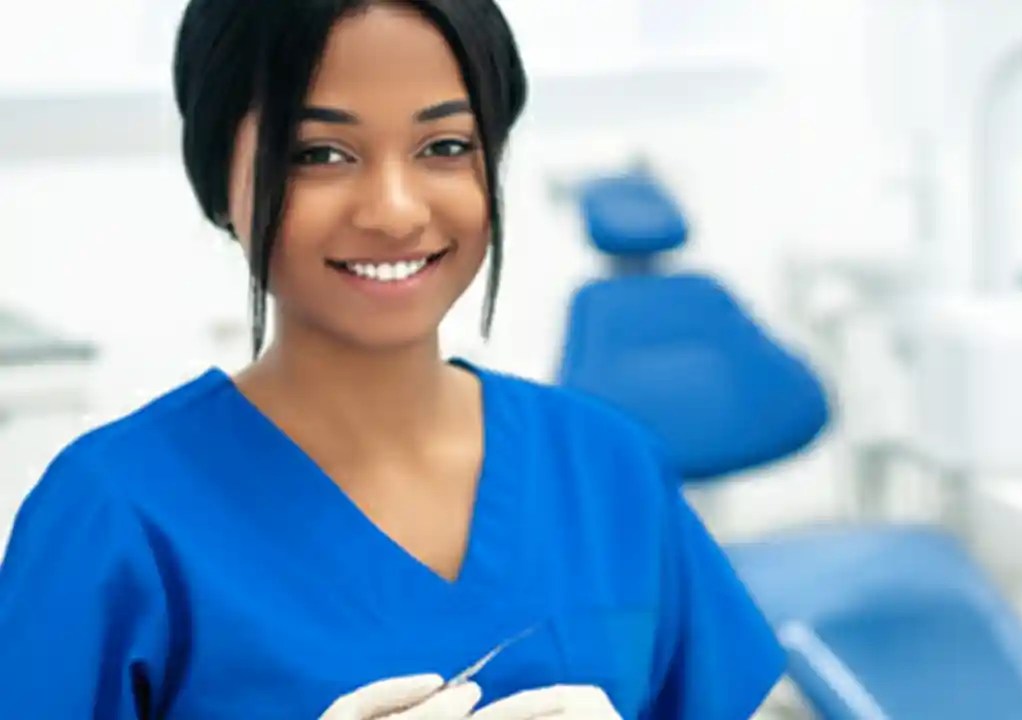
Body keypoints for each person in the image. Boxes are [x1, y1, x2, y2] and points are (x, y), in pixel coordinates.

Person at [0, 1, 786, 718]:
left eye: (445, 146)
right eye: (320, 153)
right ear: (218, 176)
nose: (395, 210)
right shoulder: (112, 518)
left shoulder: (607, 467)